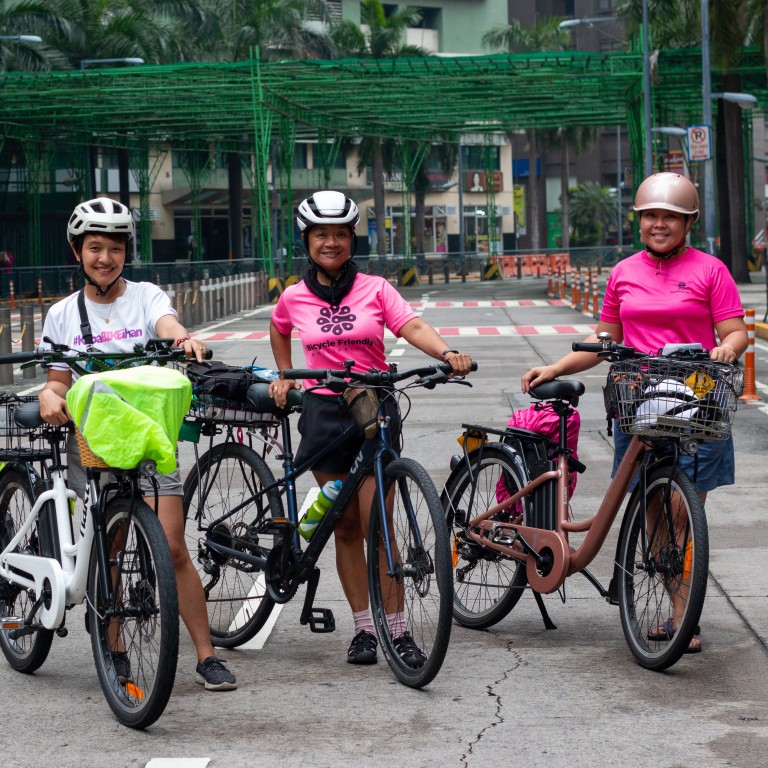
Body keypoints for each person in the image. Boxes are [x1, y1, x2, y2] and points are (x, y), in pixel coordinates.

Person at [521, 172, 748, 654]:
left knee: (685, 512)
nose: (658, 224)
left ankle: (683, 615)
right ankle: (680, 608)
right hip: (639, 402)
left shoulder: (711, 270)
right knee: (651, 507)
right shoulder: (624, 272)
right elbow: (606, 341)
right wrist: (557, 365)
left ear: (688, 223)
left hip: (697, 400)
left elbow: (735, 332)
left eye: (669, 216)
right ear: (639, 222)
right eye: (650, 216)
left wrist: (726, 350)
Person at [38, 197, 237, 691]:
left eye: (115, 248)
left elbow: (167, 327)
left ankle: (206, 655)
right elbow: (57, 380)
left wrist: (182, 339)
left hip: (147, 439)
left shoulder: (147, 296)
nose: (105, 257)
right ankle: (114, 646)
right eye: (94, 247)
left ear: (128, 251)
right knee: (108, 553)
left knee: (171, 547)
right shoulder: (62, 314)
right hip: (94, 444)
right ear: (77, 251)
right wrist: (48, 394)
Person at [269, 190, 473, 666]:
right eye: (321, 235)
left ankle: (397, 631)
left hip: (372, 411)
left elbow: (411, 326)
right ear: (307, 240)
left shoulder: (377, 288)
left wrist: (445, 353)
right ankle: (363, 629)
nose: (332, 243)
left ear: (351, 238)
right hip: (322, 415)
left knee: (379, 527)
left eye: (340, 234)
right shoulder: (294, 297)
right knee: (344, 527)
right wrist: (284, 375)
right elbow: (279, 327)